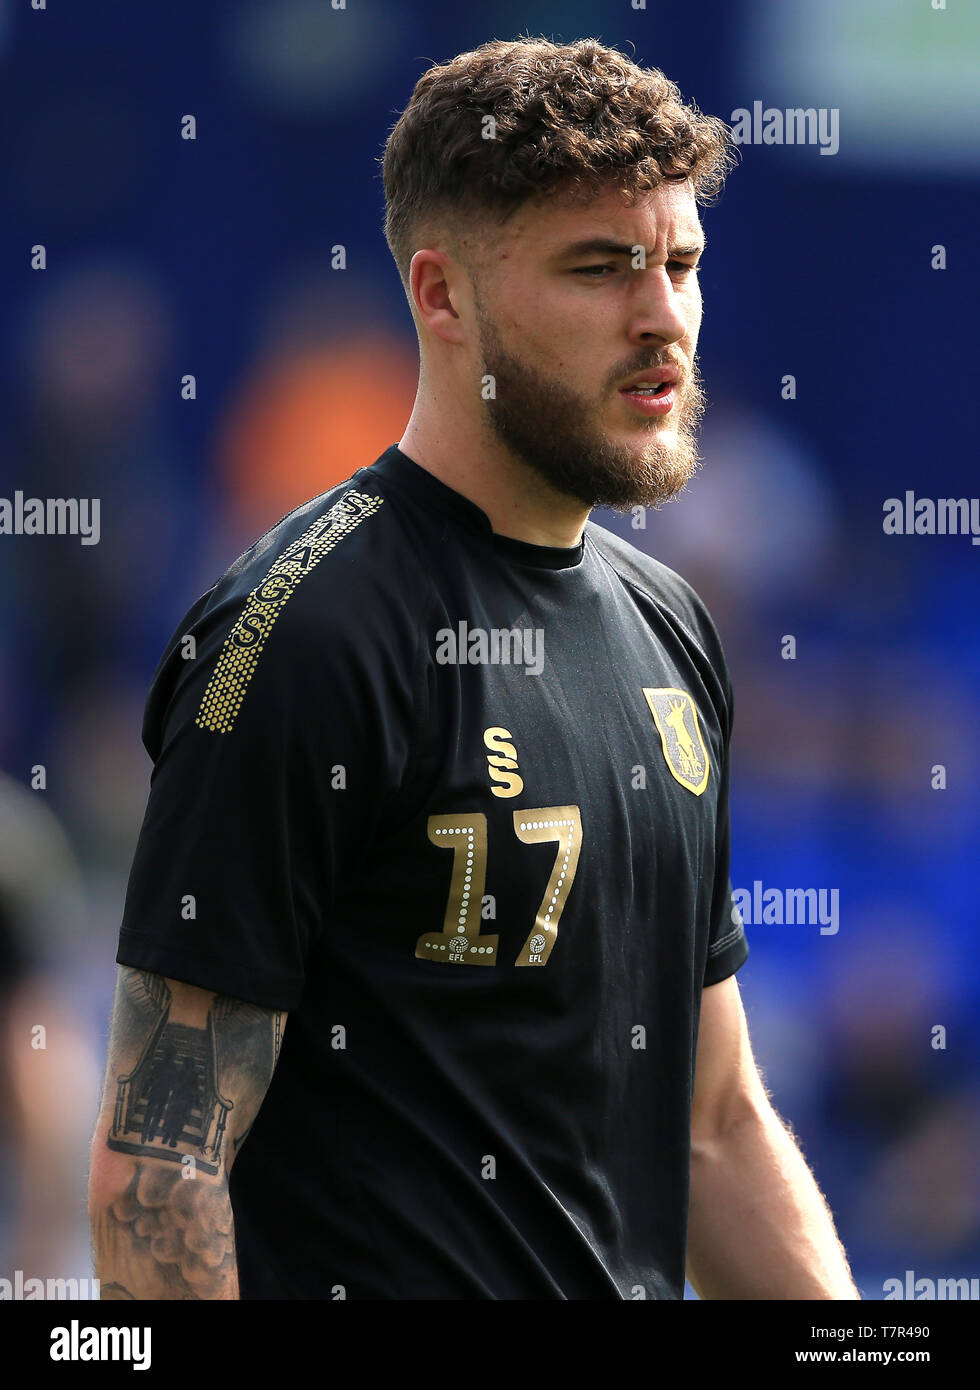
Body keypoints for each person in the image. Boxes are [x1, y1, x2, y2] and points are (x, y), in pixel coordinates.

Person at [88, 35, 860, 1300]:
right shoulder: (302, 636)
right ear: (442, 299)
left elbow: (714, 1121)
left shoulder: (671, 629)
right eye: (598, 268)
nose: (661, 314)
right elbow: (158, 1172)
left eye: (679, 264)